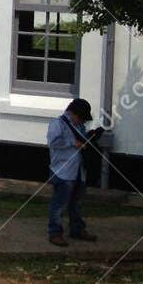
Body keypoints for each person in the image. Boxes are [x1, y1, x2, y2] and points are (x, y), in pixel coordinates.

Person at [46, 98, 99, 247]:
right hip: (62, 170)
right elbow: (53, 143)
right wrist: (72, 143)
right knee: (59, 204)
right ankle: (55, 232)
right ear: (72, 113)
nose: (81, 121)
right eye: (80, 118)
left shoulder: (80, 126)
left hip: (78, 170)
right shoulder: (57, 124)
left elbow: (82, 143)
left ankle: (77, 229)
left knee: (76, 203)